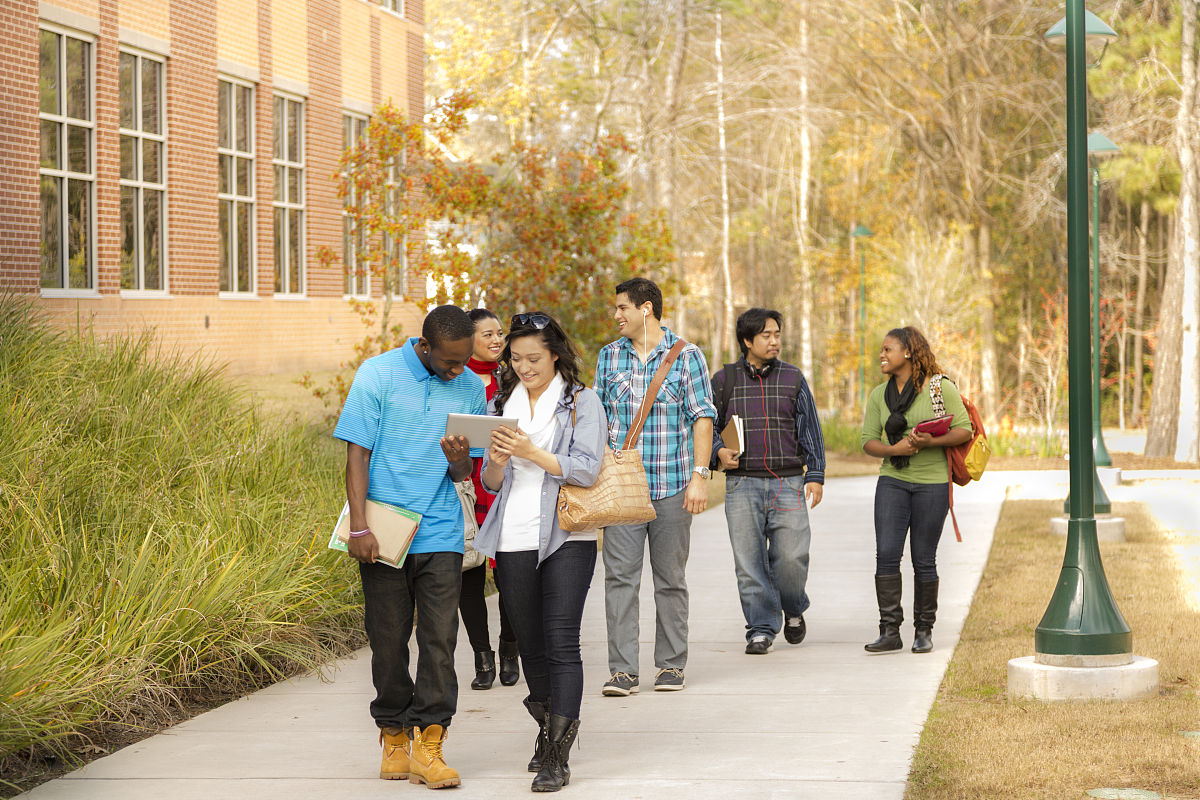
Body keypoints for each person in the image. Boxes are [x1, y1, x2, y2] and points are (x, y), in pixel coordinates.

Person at [333, 305, 486, 789]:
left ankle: (430, 742)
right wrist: (359, 526)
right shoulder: (377, 374)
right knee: (387, 640)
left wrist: (461, 462)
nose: (458, 370)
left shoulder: (470, 388)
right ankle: (394, 734)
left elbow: (466, 476)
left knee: (440, 640)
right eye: (449, 361)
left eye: (464, 360)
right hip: (384, 532)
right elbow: (358, 452)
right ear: (425, 346)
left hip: (440, 531)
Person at [474, 311, 605, 792]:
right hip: (512, 537)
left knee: (561, 641)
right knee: (529, 644)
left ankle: (556, 756)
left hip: (567, 534)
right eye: (515, 358)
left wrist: (530, 452)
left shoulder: (581, 402)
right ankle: (548, 730)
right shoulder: (499, 405)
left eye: (533, 358)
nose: (523, 367)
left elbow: (587, 471)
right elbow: (490, 483)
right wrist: (496, 460)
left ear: (555, 354)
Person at [594, 277, 716, 695]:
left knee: (669, 579)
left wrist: (699, 477)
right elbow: (598, 419)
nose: (616, 316)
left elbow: (703, 416)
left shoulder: (687, 356)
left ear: (645, 309)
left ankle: (670, 664)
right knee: (619, 580)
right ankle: (623, 670)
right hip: (622, 491)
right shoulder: (609, 357)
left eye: (622, 308)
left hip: (672, 485)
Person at [710, 308, 826, 655]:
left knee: (792, 558)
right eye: (766, 335)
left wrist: (815, 475)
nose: (774, 341)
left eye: (777, 334)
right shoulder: (724, 380)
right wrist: (718, 451)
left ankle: (793, 607)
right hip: (741, 485)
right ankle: (761, 627)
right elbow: (705, 426)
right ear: (747, 341)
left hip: (788, 483)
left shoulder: (793, 378)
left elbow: (810, 429)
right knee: (749, 564)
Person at [859, 326, 971, 654]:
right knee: (887, 555)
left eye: (887, 349)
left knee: (924, 559)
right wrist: (896, 451)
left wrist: (930, 441)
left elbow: (963, 430)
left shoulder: (940, 387)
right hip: (892, 482)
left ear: (908, 352)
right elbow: (867, 441)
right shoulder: (879, 395)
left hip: (932, 484)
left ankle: (924, 631)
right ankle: (889, 630)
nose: (881, 355)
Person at [461, 308, 520, 690]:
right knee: (469, 575)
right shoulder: (456, 379)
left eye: (500, 333)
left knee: (510, 576)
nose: (497, 340)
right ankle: (482, 657)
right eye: (488, 334)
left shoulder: (513, 378)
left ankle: (510, 648)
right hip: (467, 487)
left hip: (505, 485)